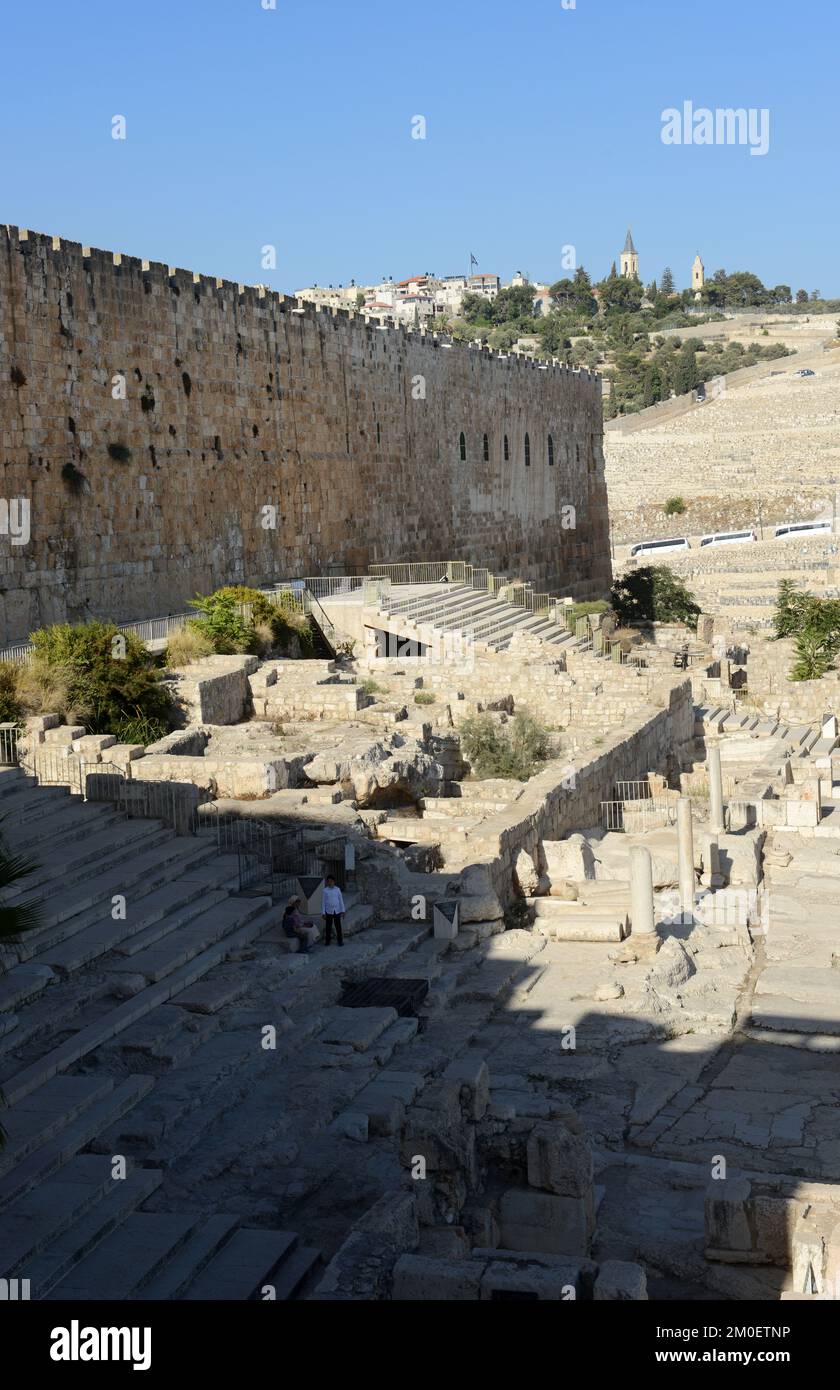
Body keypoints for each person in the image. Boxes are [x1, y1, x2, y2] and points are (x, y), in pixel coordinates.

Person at [322, 875, 346, 947]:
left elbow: (341, 900)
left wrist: (343, 911)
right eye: (328, 881)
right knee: (328, 927)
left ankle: (340, 941)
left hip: (337, 910)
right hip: (328, 911)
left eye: (331, 881)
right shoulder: (325, 890)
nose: (330, 883)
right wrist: (323, 912)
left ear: (334, 882)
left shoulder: (337, 889)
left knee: (338, 927)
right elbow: (323, 902)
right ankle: (327, 941)